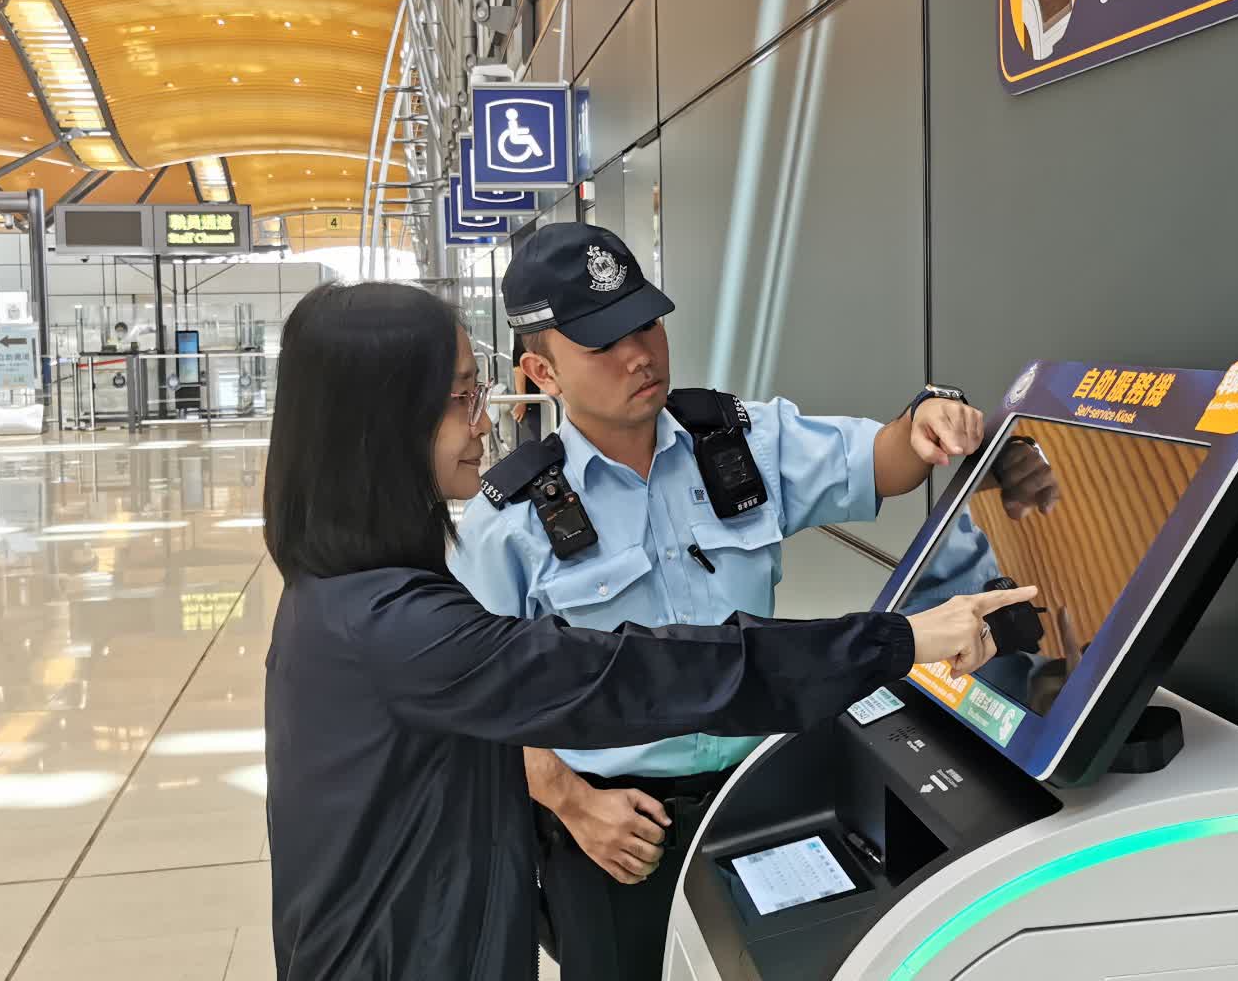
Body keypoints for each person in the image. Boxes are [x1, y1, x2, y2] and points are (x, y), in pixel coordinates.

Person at [261, 281, 1036, 981]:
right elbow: (632, 674)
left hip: (743, 798)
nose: (482, 420)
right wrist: (897, 641)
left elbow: (874, 462)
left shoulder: (345, 596)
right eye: (463, 396)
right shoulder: (399, 625)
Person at [450, 224, 999, 981]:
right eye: (602, 342)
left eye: (644, 322)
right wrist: (572, 803)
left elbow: (882, 459)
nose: (639, 353)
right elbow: (479, 703)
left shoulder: (740, 442)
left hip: (769, 795)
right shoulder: (509, 521)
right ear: (542, 370)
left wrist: (931, 421)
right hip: (620, 833)